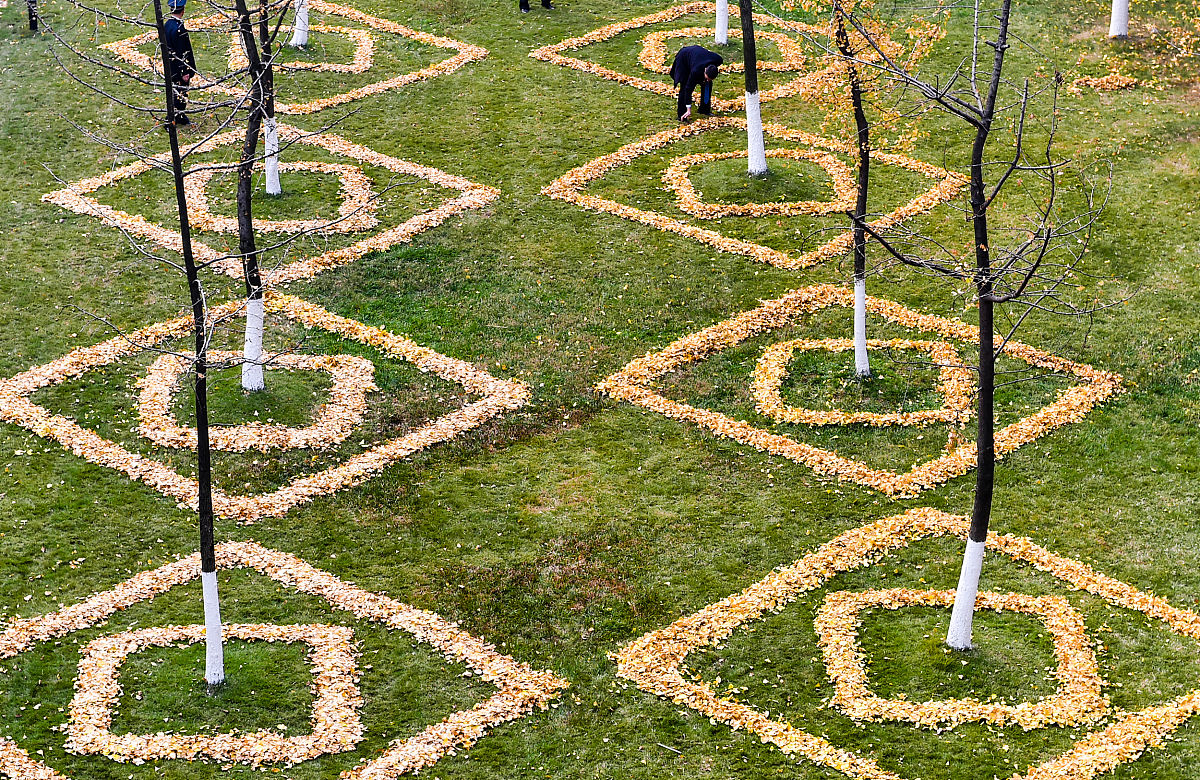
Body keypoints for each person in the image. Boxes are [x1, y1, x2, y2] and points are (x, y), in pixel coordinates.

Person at [163, 0, 197, 127]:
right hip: (179, 68)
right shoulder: (179, 29)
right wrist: (185, 71)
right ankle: (171, 119)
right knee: (179, 92)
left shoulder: (167, 25)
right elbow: (181, 52)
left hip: (171, 66)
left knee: (178, 92)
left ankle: (180, 115)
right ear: (183, 11)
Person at [670, 44, 721, 121]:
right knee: (684, 86)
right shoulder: (696, 71)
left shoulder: (718, 60)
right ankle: (682, 114)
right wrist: (689, 109)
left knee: (707, 85)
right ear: (704, 71)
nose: (707, 80)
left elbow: (708, 78)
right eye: (706, 78)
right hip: (684, 58)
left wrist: (707, 80)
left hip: (698, 57)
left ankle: (704, 109)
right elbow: (688, 89)